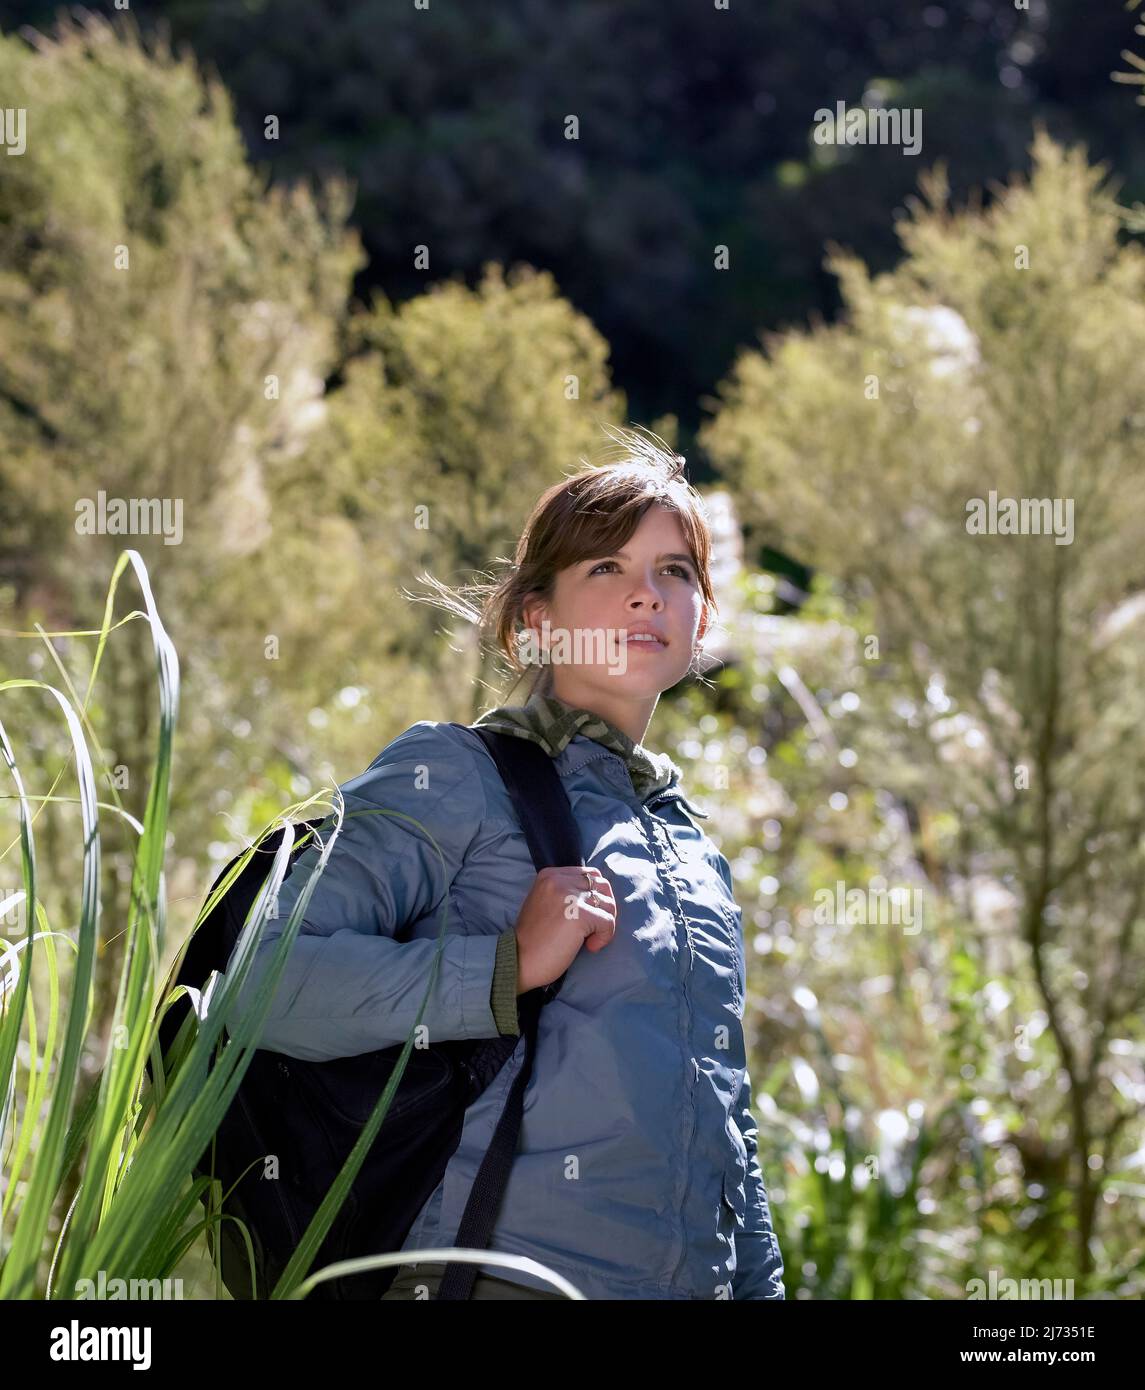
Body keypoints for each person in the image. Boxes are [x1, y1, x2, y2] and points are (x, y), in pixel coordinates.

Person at [236, 426, 785, 1300]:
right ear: (537, 620)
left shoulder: (690, 845)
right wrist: (503, 968)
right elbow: (259, 981)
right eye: (606, 570)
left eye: (673, 572)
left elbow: (726, 1124)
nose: (647, 596)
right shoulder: (455, 775)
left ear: (702, 617)